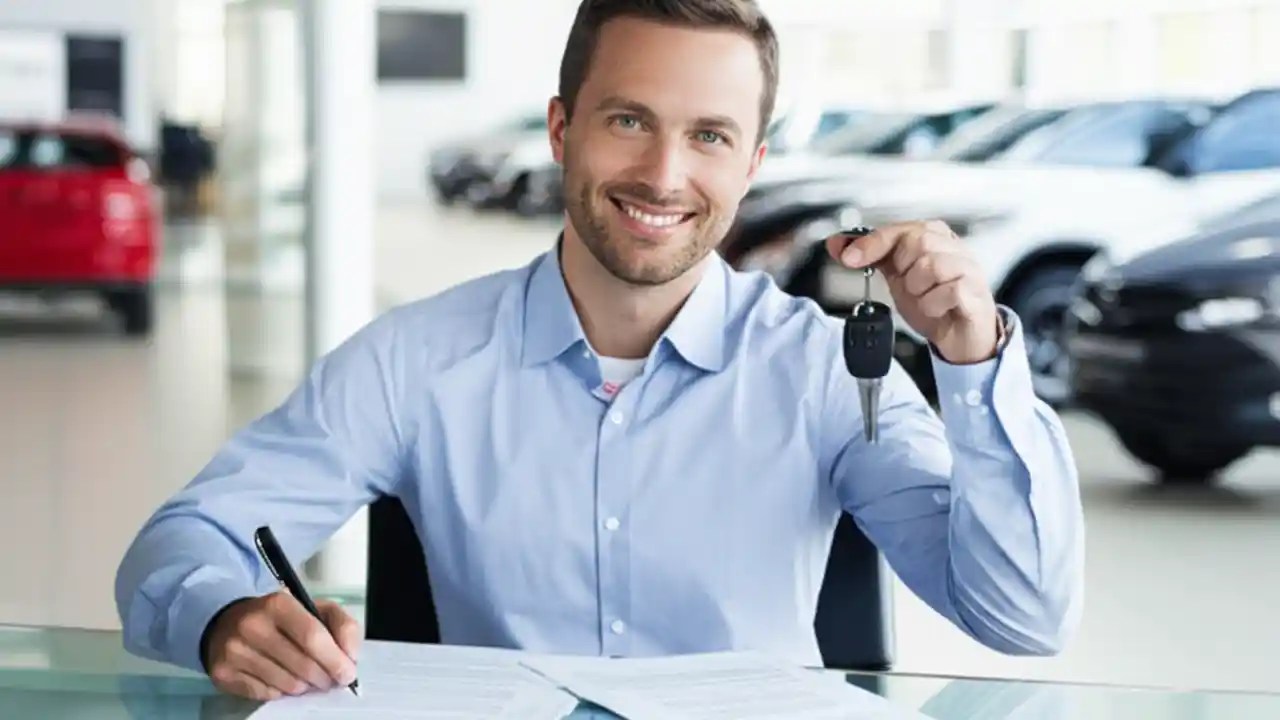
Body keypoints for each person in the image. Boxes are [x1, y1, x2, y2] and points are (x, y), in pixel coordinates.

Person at [116, 0, 1084, 702]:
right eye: (629, 120)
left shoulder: (825, 371)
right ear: (560, 129)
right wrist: (219, 617)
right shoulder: (414, 358)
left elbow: (1019, 619)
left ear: (750, 165)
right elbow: (188, 537)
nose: (663, 175)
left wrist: (971, 355)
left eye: (708, 135)